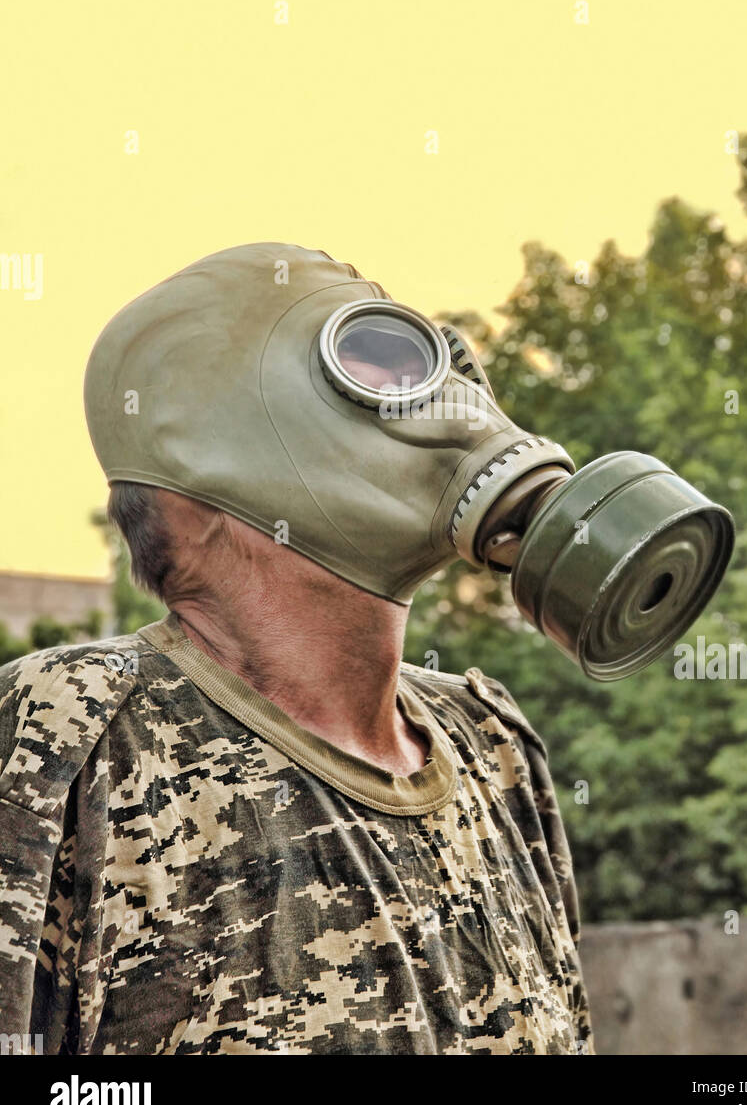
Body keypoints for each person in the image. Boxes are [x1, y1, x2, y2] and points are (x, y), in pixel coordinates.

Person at [0, 242, 593, 1055]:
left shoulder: (491, 744)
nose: (454, 395)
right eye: (377, 355)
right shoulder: (74, 731)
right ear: (203, 438)